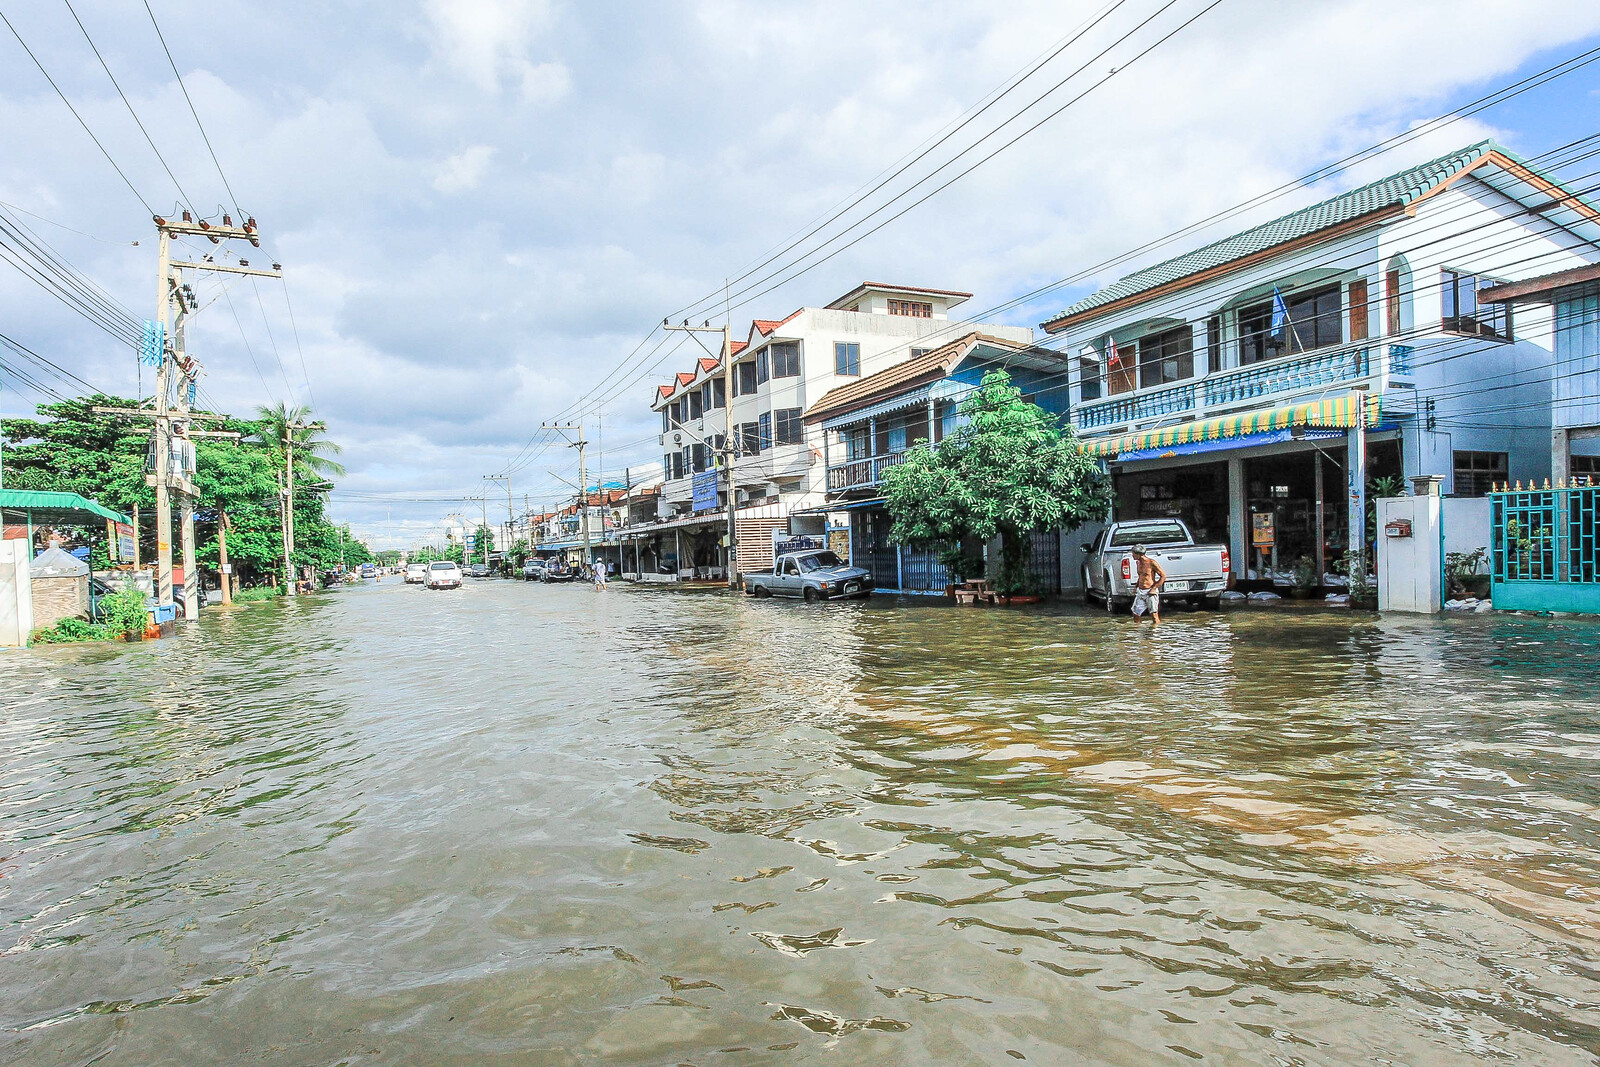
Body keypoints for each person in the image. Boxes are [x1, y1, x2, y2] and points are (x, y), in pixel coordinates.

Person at [1130, 544, 1166, 624]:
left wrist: (1154, 589)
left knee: (1153, 614)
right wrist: (1136, 587)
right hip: (1141, 591)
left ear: (1138, 554)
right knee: (1136, 613)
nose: (1132, 555)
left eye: (1133, 554)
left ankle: (1155, 633)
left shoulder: (1151, 563)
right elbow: (1141, 576)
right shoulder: (1138, 563)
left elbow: (1163, 576)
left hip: (1150, 591)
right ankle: (1138, 632)